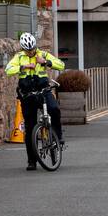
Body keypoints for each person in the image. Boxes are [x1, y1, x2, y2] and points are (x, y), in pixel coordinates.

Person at [5, 32, 65, 170]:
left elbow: (60, 65)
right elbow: (8, 70)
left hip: (43, 91)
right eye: (28, 50)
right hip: (27, 95)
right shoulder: (19, 57)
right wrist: (23, 67)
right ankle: (32, 161)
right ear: (23, 49)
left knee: (54, 109)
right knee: (30, 127)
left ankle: (58, 135)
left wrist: (46, 62)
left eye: (32, 49)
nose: (31, 52)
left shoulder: (42, 54)